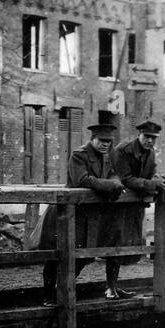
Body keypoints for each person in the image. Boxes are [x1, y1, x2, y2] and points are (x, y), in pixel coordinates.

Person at [41, 123, 127, 302]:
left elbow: (113, 174)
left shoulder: (106, 157)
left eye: (109, 142)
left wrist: (115, 181)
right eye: (102, 141)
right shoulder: (79, 155)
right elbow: (82, 180)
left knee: (81, 256)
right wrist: (110, 184)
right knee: (57, 254)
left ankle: (62, 290)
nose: (106, 145)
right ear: (92, 139)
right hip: (66, 213)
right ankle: (48, 294)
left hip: (87, 215)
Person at [108, 120, 165, 297]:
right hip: (117, 204)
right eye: (147, 137)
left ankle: (114, 286)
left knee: (129, 244)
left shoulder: (150, 153)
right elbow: (126, 179)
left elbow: (150, 173)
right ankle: (110, 287)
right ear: (140, 135)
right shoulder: (123, 150)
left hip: (135, 205)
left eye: (153, 138)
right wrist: (152, 183)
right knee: (115, 243)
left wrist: (159, 179)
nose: (150, 141)